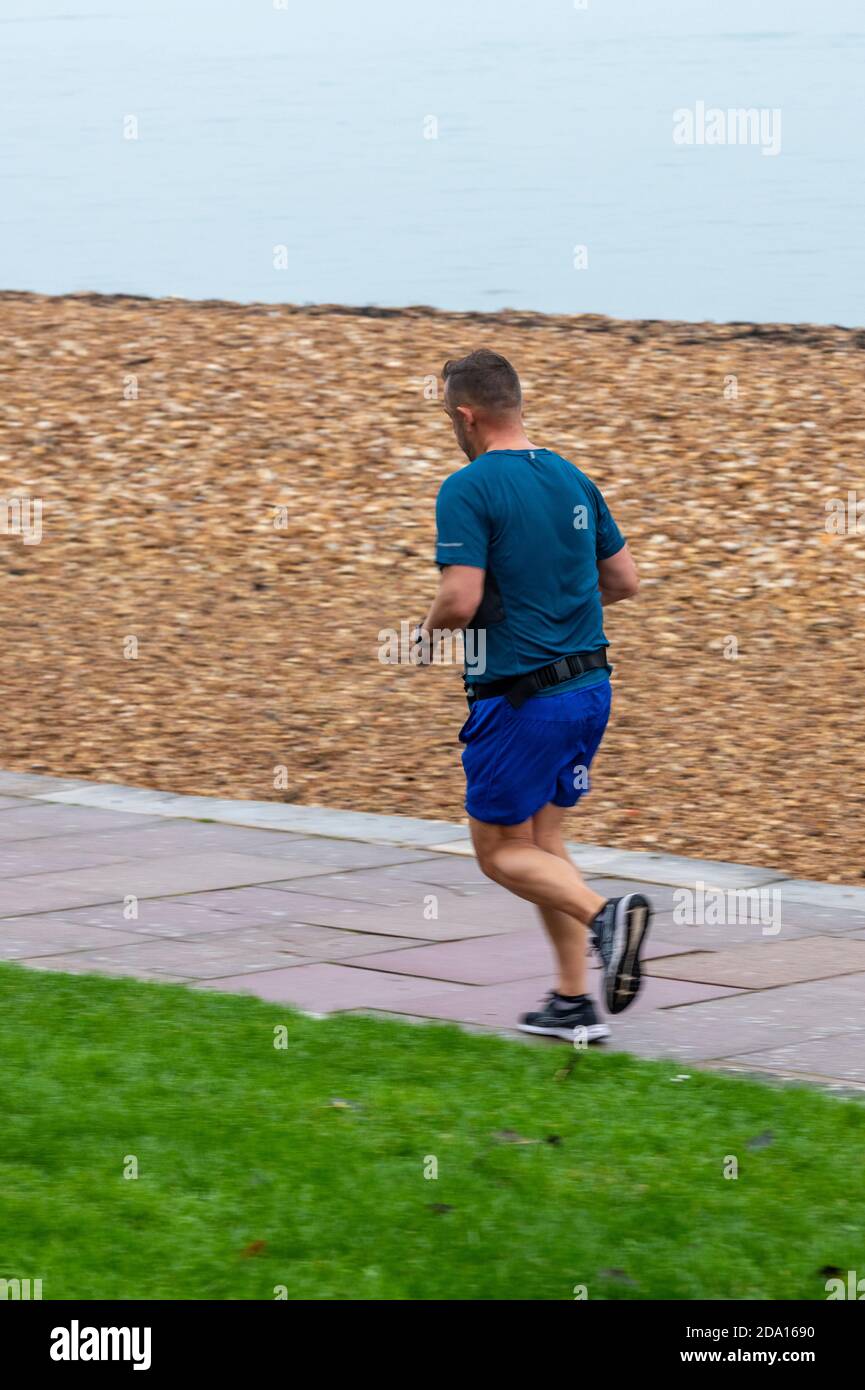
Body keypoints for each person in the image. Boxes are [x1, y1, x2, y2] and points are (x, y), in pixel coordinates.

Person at [415, 349, 651, 1043]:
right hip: (589, 688)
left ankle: (607, 917)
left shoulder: (468, 486)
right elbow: (625, 581)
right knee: (544, 840)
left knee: (497, 851)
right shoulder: (571, 476)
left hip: (522, 699)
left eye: (446, 418)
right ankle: (572, 1001)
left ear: (466, 415)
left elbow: (459, 599)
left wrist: (427, 633)